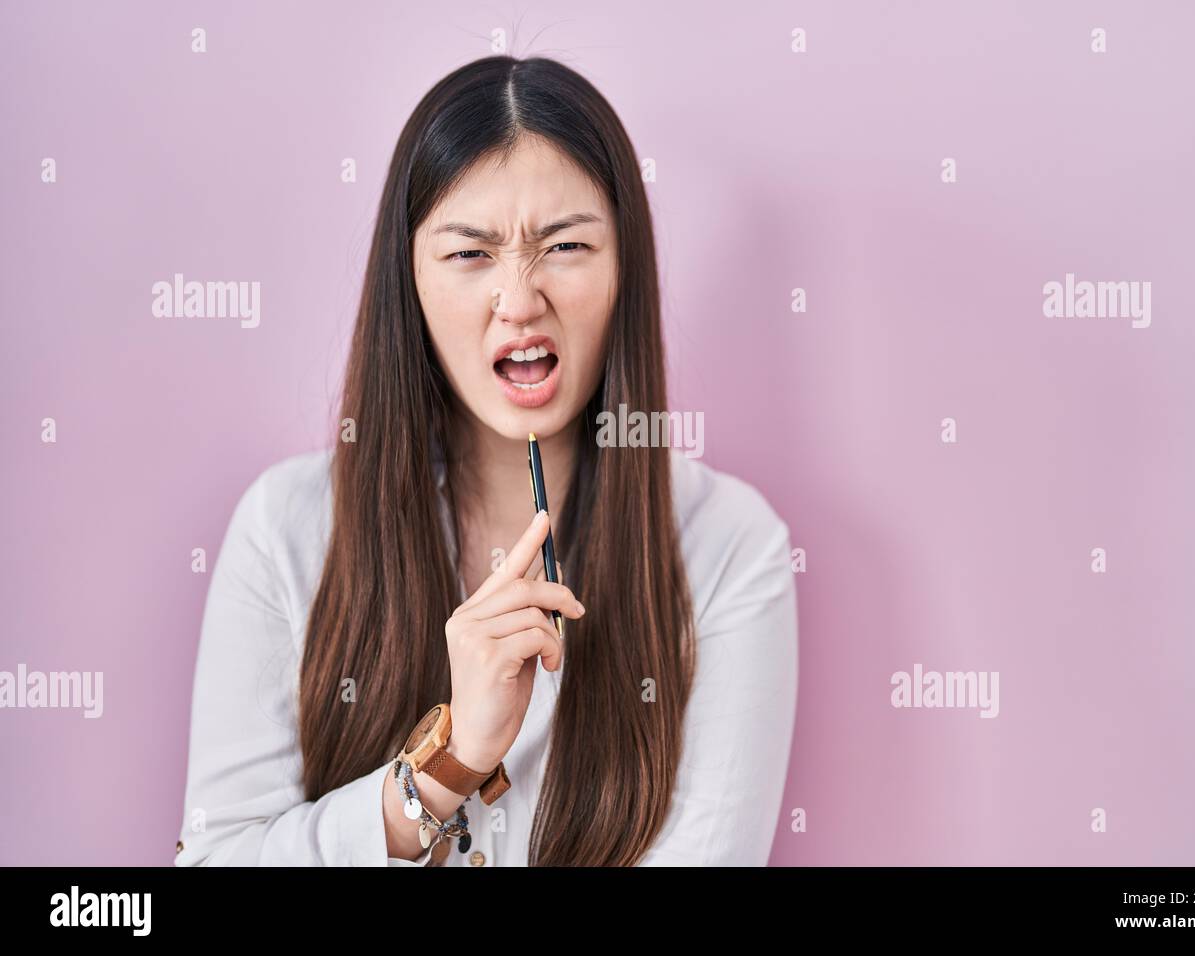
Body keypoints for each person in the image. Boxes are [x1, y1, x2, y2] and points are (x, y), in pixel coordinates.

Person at [174, 55, 797, 867]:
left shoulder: (728, 547)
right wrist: (448, 764)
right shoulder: (284, 528)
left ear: (625, 270)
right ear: (412, 282)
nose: (520, 299)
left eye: (566, 245)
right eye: (470, 254)